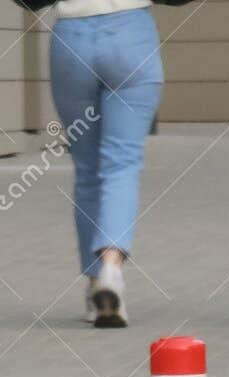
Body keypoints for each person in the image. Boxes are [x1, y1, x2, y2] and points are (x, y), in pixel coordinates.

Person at [46, 1, 164, 328]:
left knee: (86, 169)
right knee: (121, 164)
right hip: (131, 33)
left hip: (72, 36)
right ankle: (112, 270)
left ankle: (94, 283)